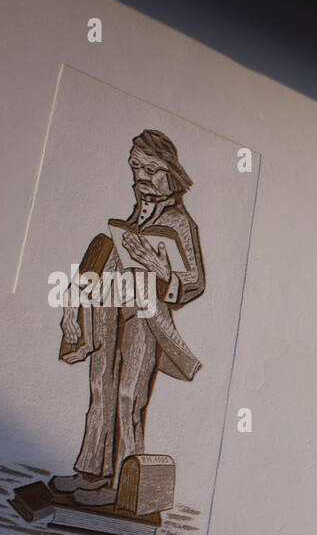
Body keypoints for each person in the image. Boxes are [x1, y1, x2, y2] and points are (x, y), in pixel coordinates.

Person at [52, 129, 206, 505]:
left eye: (147, 168)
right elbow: (108, 257)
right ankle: (91, 473)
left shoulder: (181, 221)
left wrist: (161, 269)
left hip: (144, 315)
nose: (139, 175)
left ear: (167, 170)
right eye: (134, 167)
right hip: (108, 309)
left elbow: (194, 281)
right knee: (101, 391)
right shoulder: (136, 213)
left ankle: (123, 485)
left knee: (128, 396)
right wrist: (75, 305)